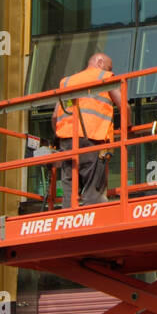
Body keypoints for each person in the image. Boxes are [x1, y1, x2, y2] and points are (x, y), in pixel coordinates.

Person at [52, 51, 122, 207]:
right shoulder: (103, 76)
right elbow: (123, 105)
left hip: (67, 141)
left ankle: (69, 219)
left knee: (70, 186)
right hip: (93, 137)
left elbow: (54, 117)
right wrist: (126, 127)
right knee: (93, 189)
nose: (110, 71)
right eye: (109, 67)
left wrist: (59, 137)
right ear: (99, 62)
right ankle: (95, 215)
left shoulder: (67, 81)